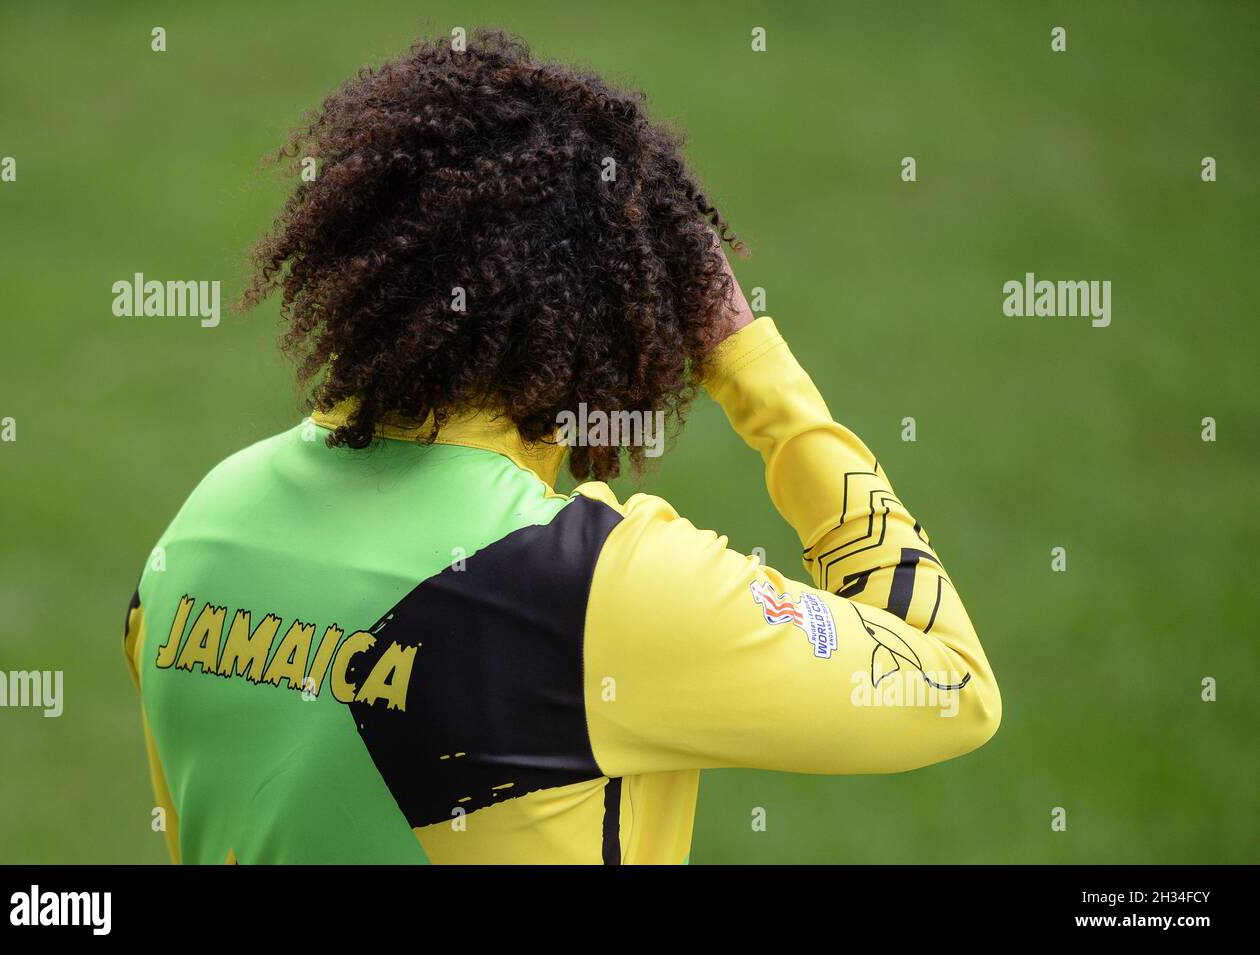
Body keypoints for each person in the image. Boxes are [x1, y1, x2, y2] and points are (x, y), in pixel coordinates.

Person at [122, 29, 1000, 865]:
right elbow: (948, 684)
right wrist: (749, 360)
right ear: (622, 315)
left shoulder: (197, 531)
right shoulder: (596, 587)